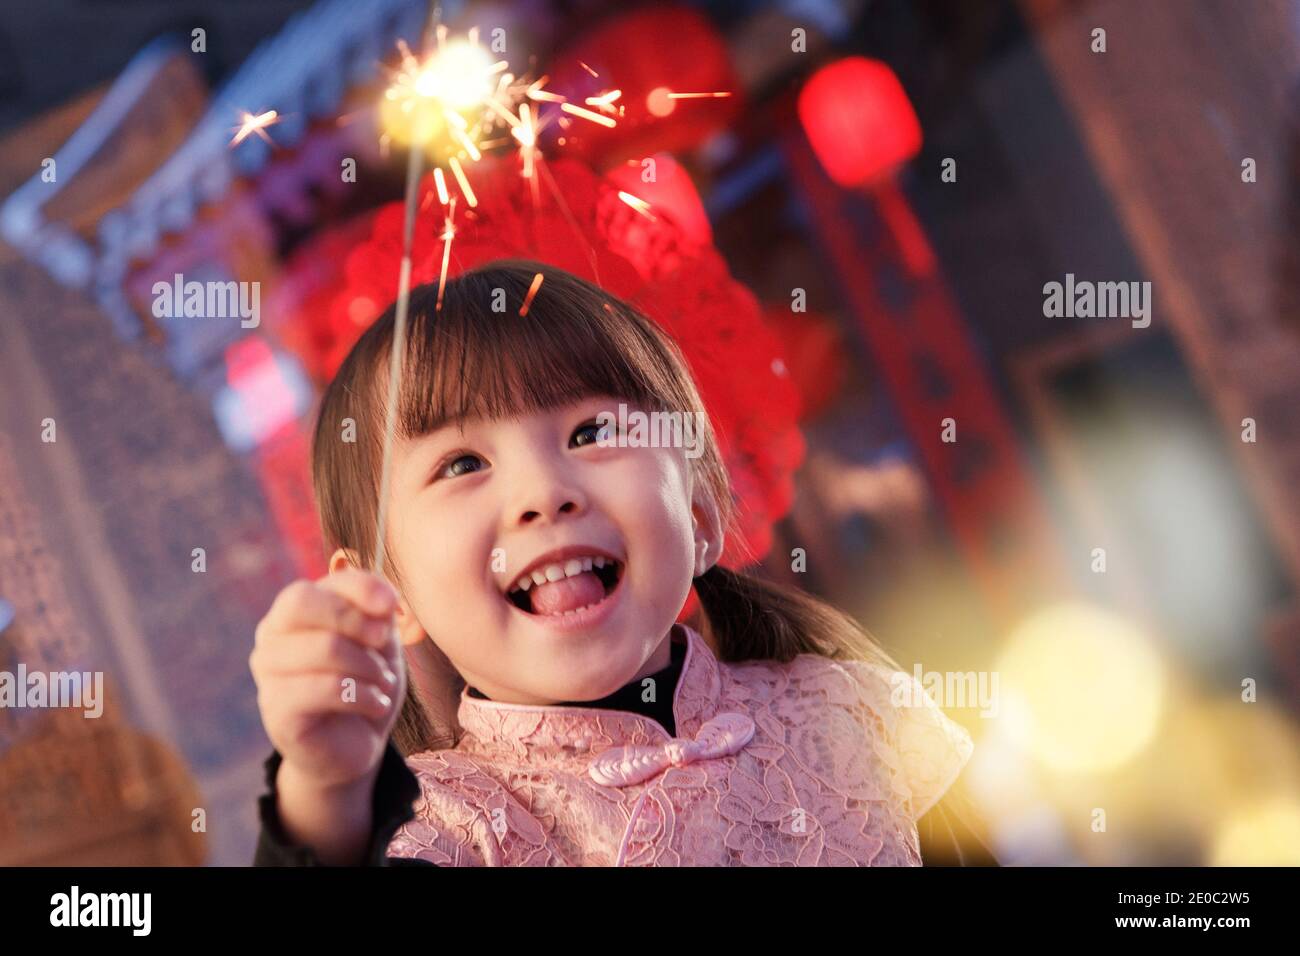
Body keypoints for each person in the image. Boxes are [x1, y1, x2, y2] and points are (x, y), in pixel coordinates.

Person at [249, 260, 999, 866]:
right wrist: (322, 791)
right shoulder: (434, 828)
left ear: (700, 512)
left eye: (592, 432)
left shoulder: (853, 715)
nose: (543, 493)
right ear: (384, 591)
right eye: (462, 463)